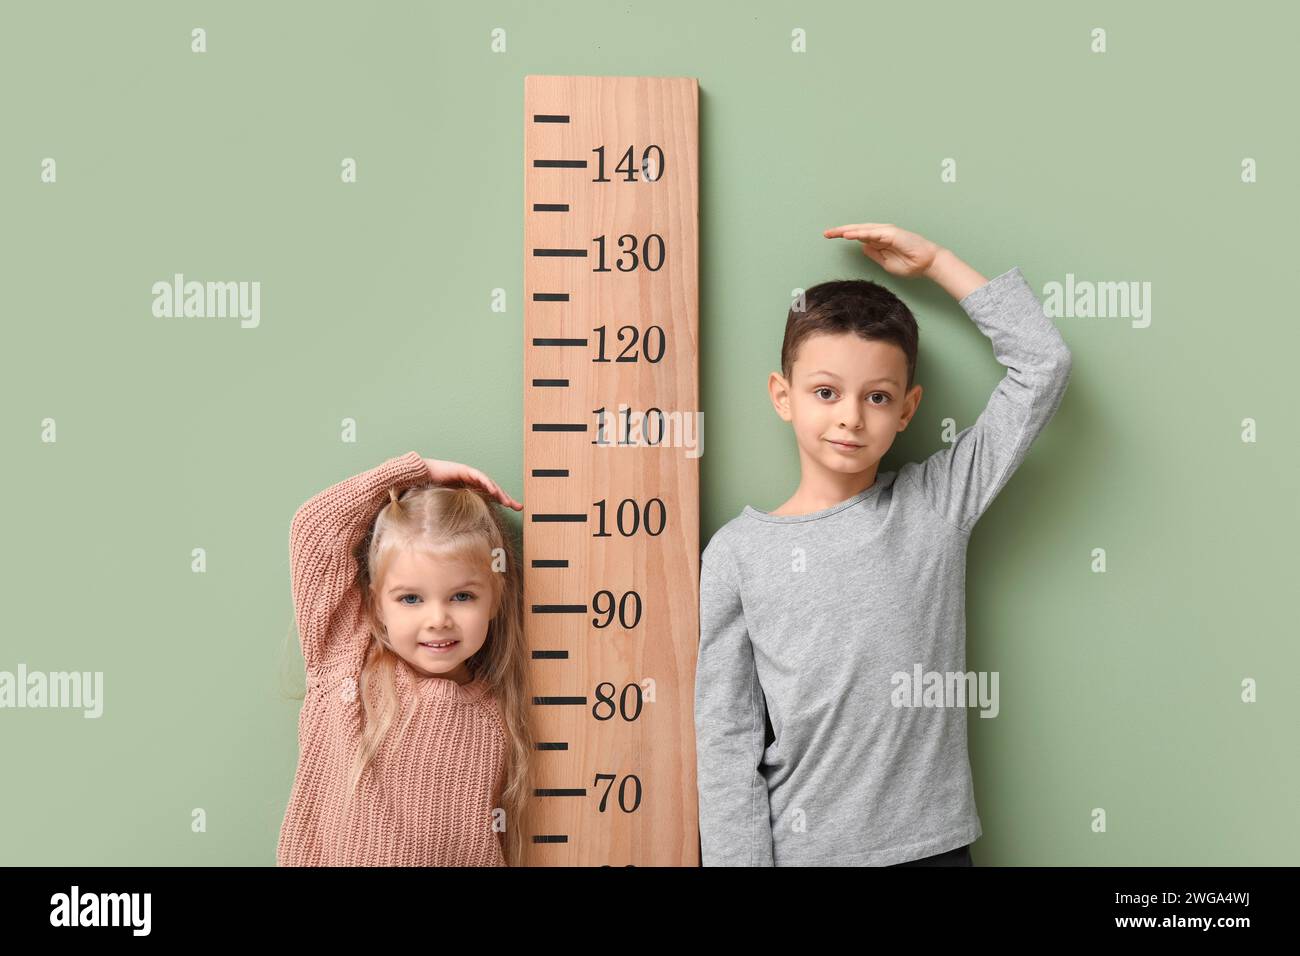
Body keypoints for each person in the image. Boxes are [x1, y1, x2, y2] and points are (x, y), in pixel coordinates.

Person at [695, 223, 1073, 865]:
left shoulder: (936, 503)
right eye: (825, 392)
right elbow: (727, 740)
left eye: (877, 397)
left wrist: (938, 263)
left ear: (907, 408)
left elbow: (1043, 364)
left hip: (935, 849)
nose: (850, 416)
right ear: (781, 397)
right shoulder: (736, 553)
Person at [276, 451, 531, 866]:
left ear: (495, 601)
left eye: (462, 596)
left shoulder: (497, 719)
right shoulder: (346, 663)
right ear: (378, 606)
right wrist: (416, 472)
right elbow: (314, 529)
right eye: (410, 598)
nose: (438, 620)